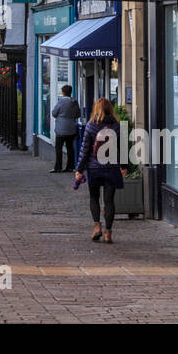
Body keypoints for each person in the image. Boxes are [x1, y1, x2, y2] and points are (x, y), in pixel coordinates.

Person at [74, 98, 124, 243]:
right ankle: (108, 232)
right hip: (112, 167)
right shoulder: (116, 126)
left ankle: (97, 227)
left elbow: (85, 149)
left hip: (94, 168)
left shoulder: (91, 126)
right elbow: (122, 148)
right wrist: (124, 166)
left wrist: (79, 169)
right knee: (109, 201)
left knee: (94, 197)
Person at [50, 84, 81, 173]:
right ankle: (70, 167)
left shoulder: (61, 101)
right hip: (71, 128)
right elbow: (78, 114)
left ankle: (58, 167)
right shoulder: (74, 102)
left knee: (58, 148)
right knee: (70, 148)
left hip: (61, 129)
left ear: (63, 92)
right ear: (70, 92)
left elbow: (54, 113)